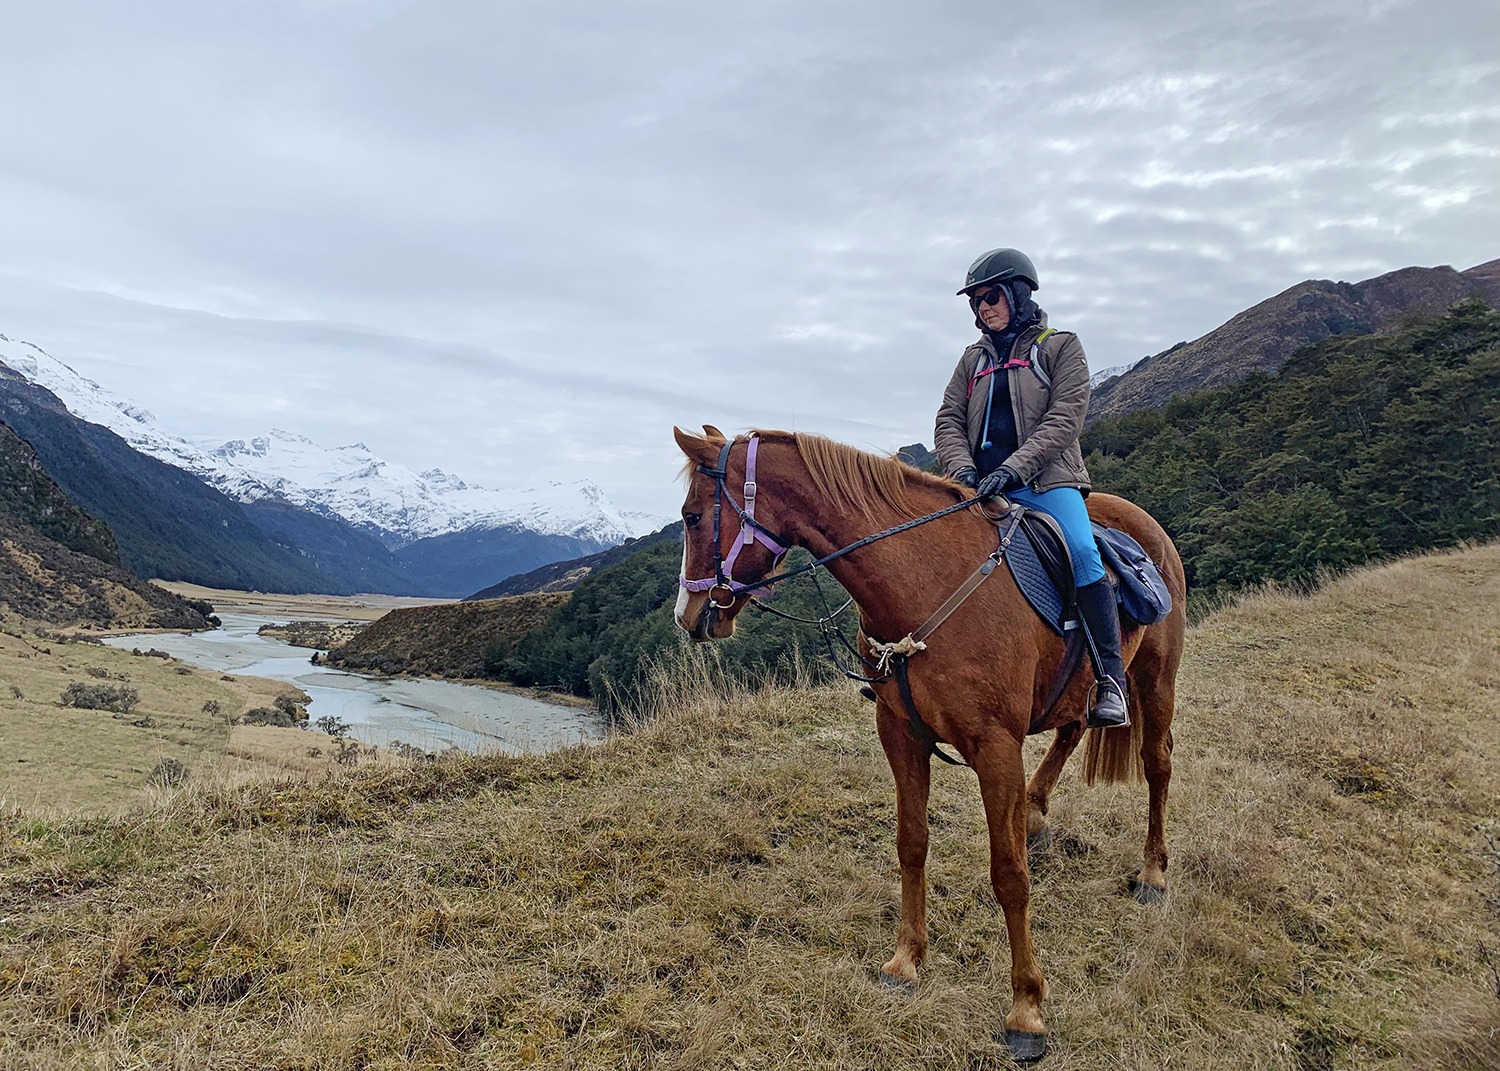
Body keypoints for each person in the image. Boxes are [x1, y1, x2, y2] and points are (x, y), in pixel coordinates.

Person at [934, 247, 1128, 729]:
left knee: (1083, 553)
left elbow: (1065, 419)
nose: (983, 308)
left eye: (992, 296)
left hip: (1047, 482)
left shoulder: (1061, 346)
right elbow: (947, 421)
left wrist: (1015, 469)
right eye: (976, 301)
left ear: (1019, 294)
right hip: (978, 488)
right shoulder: (971, 360)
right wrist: (962, 473)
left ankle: (1111, 681)